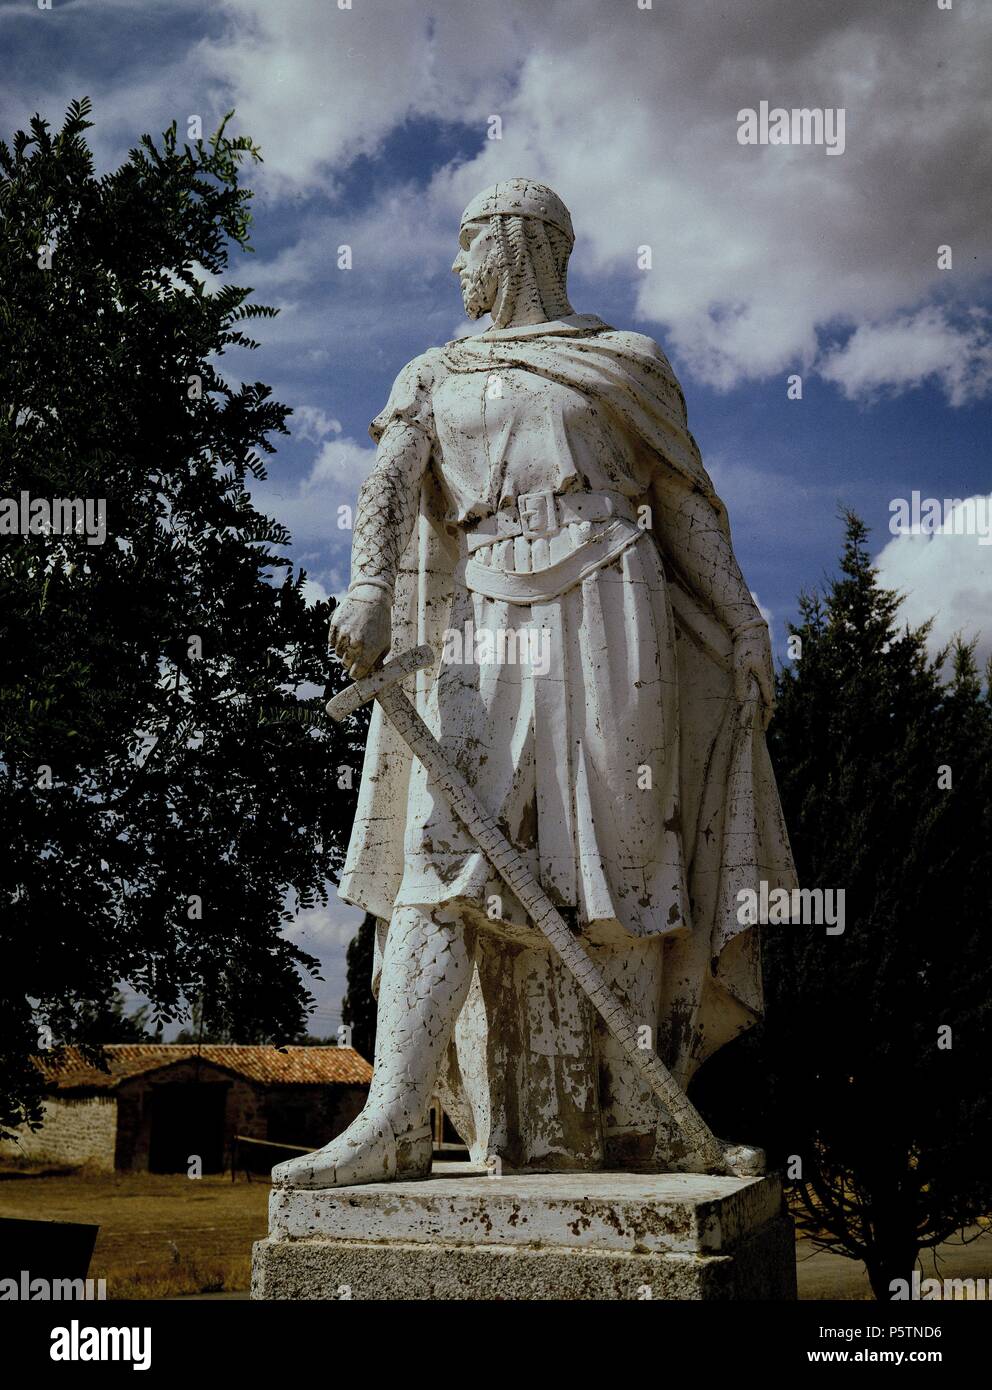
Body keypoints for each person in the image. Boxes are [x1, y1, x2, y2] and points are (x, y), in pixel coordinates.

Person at [273, 179, 795, 1189]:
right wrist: (372, 588)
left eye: (466, 248)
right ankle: (395, 1120)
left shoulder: (624, 362)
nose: (454, 269)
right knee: (440, 855)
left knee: (629, 855)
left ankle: (641, 1113)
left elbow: (683, 507)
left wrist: (741, 618)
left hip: (616, 606)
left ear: (513, 245)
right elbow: (389, 482)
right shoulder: (434, 372)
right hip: (486, 619)